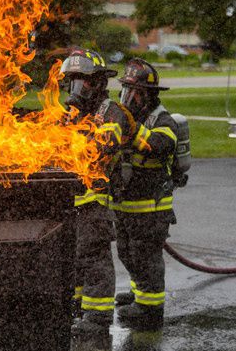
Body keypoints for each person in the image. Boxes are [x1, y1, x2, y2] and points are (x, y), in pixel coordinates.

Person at [60, 49, 134, 335]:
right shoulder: (70, 116)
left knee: (94, 259)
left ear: (100, 83)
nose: (78, 88)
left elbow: (101, 147)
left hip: (94, 204)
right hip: (71, 203)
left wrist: (67, 142)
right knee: (75, 259)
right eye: (74, 81)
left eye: (85, 81)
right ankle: (78, 309)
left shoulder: (111, 112)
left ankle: (98, 316)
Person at [110, 58, 178, 328]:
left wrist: (132, 130)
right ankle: (140, 294)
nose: (130, 99)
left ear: (149, 95)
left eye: (136, 93)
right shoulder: (128, 120)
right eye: (127, 91)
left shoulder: (163, 120)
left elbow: (160, 144)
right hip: (127, 205)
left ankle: (151, 309)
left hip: (151, 208)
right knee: (128, 252)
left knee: (146, 257)